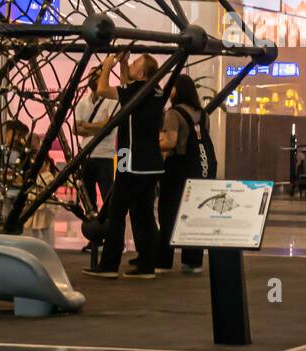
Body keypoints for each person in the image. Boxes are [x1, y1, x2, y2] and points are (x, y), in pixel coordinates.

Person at [86, 52, 165, 279]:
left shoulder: (136, 91)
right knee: (144, 214)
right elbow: (126, 89)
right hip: (151, 164)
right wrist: (122, 64)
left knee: (116, 213)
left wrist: (106, 67)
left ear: (141, 73)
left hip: (128, 161)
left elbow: (103, 90)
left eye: (134, 63)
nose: (130, 63)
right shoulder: (155, 91)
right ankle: (146, 265)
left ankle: (109, 265)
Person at [158, 74, 210, 273]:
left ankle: (164, 260)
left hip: (176, 167)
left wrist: (152, 143)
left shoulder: (174, 113)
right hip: (198, 168)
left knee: (168, 213)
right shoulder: (203, 114)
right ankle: (193, 260)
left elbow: (170, 142)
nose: (168, 91)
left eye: (171, 87)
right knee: (193, 213)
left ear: (178, 91)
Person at [75, 70, 117, 214]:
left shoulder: (112, 100)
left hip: (104, 156)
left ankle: (109, 226)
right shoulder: (82, 102)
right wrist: (99, 127)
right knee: (87, 198)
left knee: (108, 197)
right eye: (90, 76)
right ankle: (92, 225)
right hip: (85, 156)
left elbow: (109, 127)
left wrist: (85, 125)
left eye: (96, 76)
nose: (92, 79)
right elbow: (75, 129)